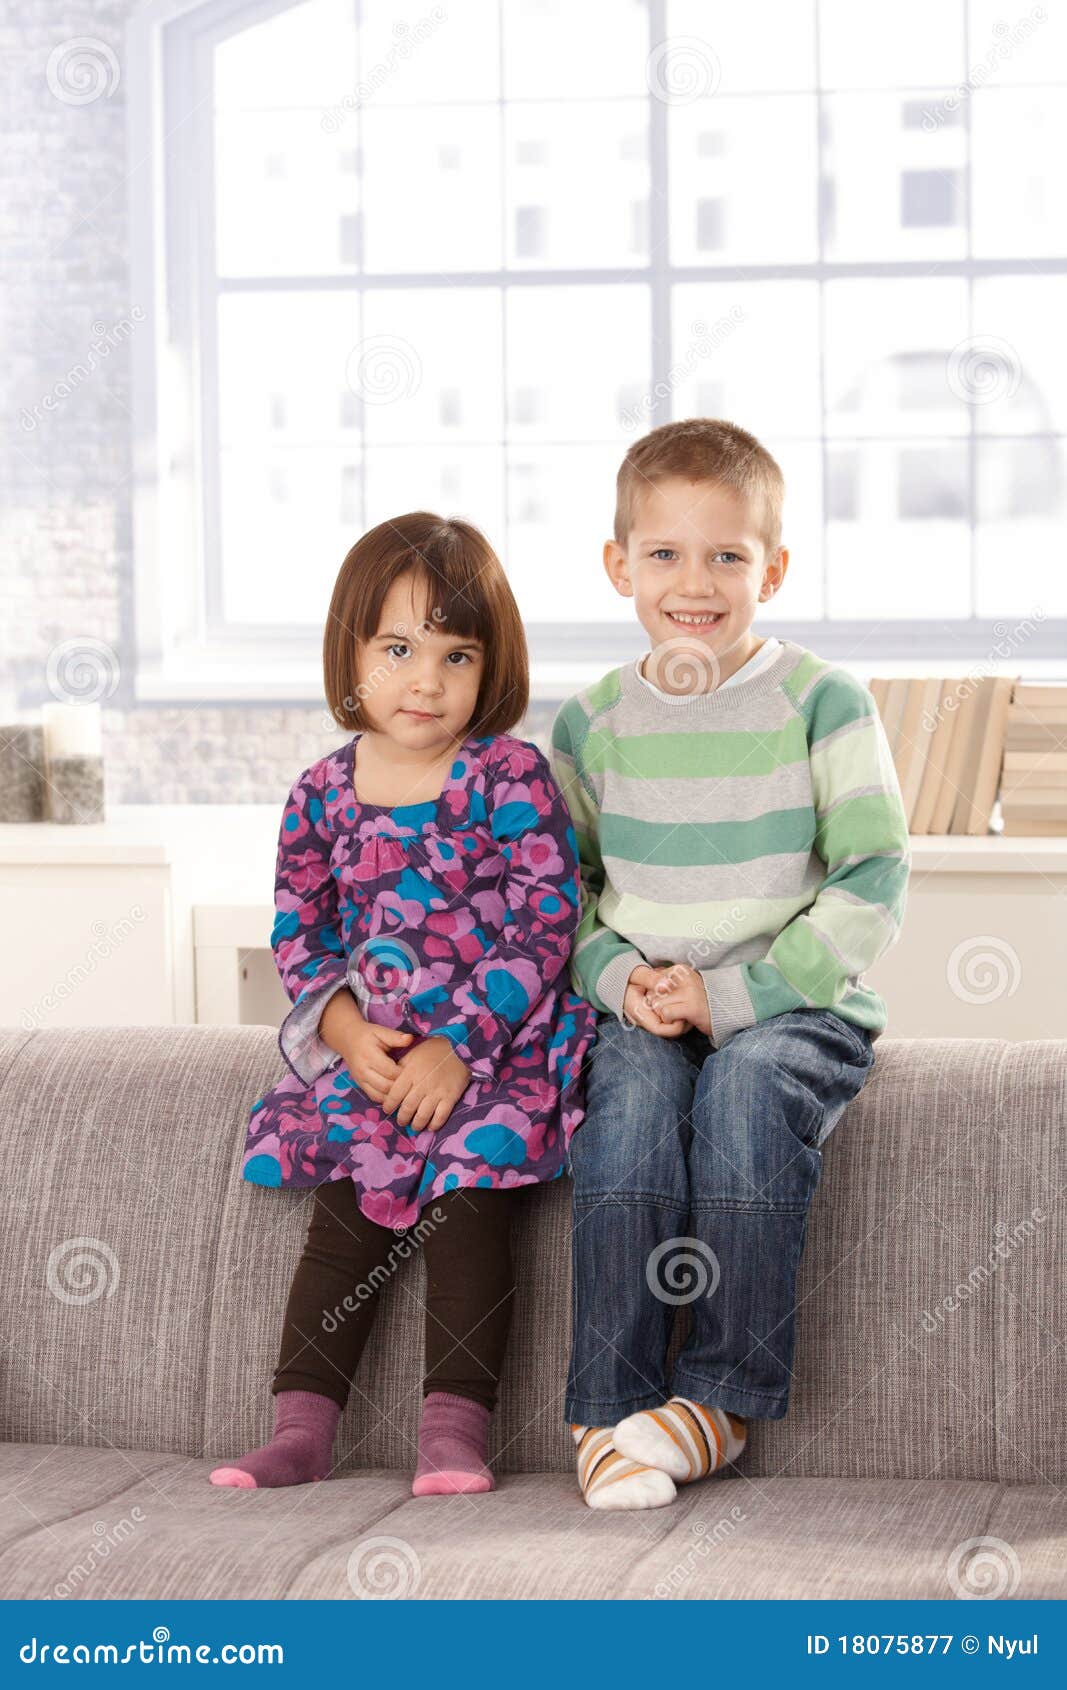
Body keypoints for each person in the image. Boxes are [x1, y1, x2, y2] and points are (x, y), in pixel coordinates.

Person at [551, 418, 911, 1510]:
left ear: (773, 567)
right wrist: (625, 981)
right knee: (623, 1118)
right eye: (662, 553)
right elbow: (560, 896)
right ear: (618, 565)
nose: (691, 582)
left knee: (747, 1093)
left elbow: (871, 872)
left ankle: (717, 1399)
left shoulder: (820, 701)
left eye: (726, 555)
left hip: (791, 1005)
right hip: (646, 1005)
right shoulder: (589, 723)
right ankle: (603, 1415)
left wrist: (734, 994)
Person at [210, 511, 596, 1497]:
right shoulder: (318, 795)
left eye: (455, 652)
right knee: (342, 1229)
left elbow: (547, 912)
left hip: (488, 1058)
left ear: (488, 665)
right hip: (371, 1066)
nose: (425, 679)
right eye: (396, 647)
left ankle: (453, 1435)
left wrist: (460, 1047)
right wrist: (341, 1029)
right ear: (351, 652)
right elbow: (300, 928)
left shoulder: (505, 774)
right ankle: (300, 1429)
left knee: (470, 1219)